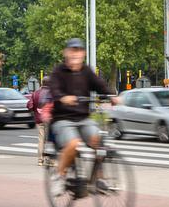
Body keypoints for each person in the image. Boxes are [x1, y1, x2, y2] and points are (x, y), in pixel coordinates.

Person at [48, 39, 119, 181]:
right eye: (73, 50)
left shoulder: (86, 71)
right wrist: (63, 97)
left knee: (98, 141)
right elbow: (54, 90)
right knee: (73, 143)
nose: (76, 54)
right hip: (63, 119)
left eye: (79, 51)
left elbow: (99, 85)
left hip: (84, 119)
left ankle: (97, 179)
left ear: (84, 54)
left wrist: (111, 96)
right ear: (66, 52)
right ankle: (60, 172)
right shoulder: (58, 72)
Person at [27, 76, 54, 165]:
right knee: (49, 140)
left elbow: (29, 106)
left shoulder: (35, 93)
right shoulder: (52, 93)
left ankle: (40, 160)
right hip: (50, 120)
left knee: (41, 139)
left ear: (42, 83)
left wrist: (35, 111)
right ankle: (49, 160)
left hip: (39, 120)